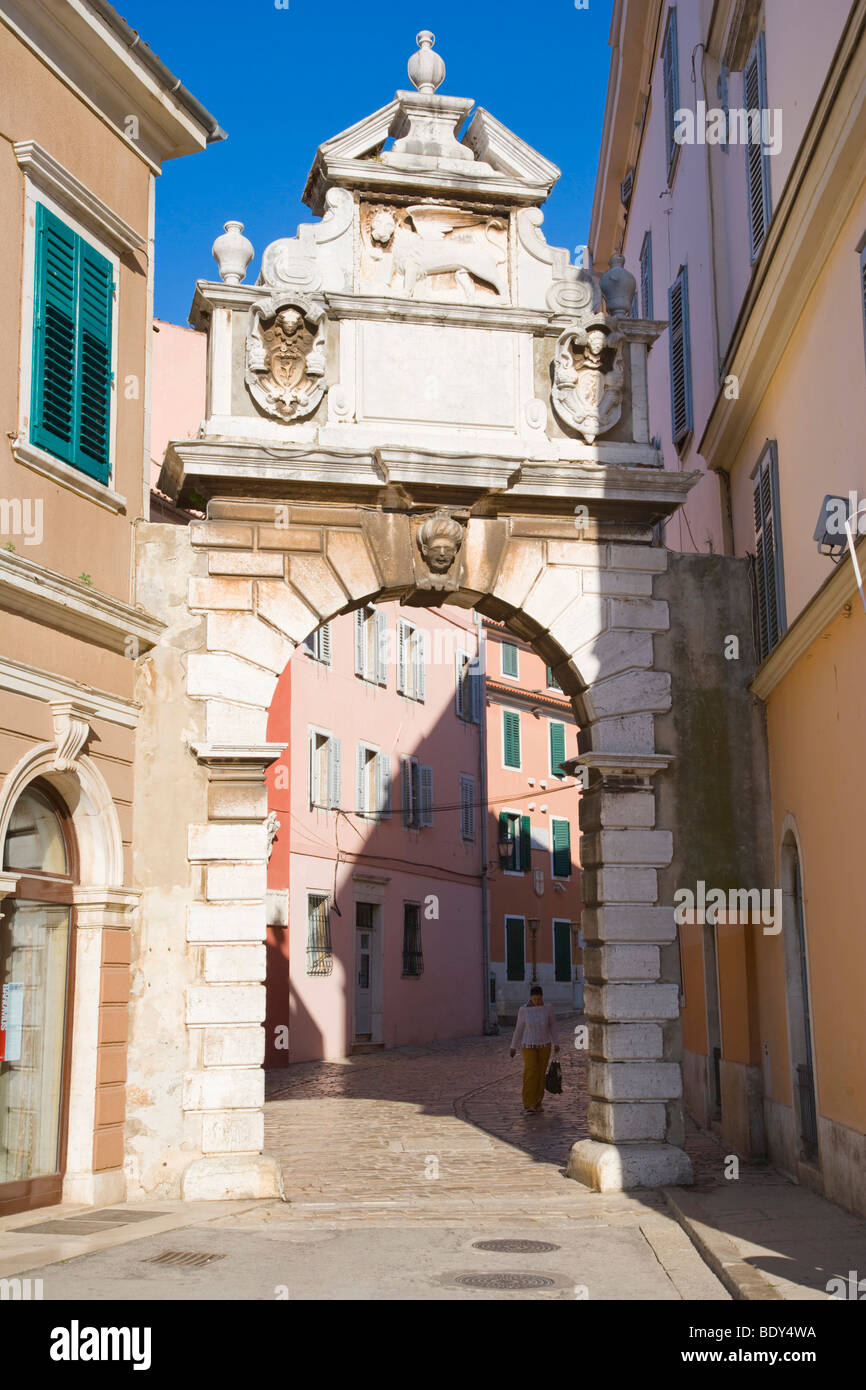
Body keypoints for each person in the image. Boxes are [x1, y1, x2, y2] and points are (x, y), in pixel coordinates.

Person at [510, 985, 560, 1113]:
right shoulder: (524, 1010)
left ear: (542, 997)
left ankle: (538, 1102)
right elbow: (519, 1028)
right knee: (530, 1072)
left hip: (545, 1045)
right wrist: (513, 1046)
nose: (537, 1002)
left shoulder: (548, 1008)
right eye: (534, 999)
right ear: (530, 997)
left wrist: (556, 1043)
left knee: (540, 1074)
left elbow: (553, 1026)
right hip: (528, 1045)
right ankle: (528, 1103)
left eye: (538, 999)